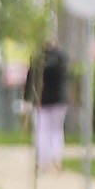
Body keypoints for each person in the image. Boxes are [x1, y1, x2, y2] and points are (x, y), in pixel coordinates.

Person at [24, 35, 71, 177]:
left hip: (41, 101)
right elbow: (67, 77)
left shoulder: (38, 58)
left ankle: (42, 161)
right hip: (58, 100)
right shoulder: (61, 58)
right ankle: (56, 159)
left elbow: (30, 80)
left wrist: (27, 99)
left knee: (41, 131)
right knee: (56, 131)